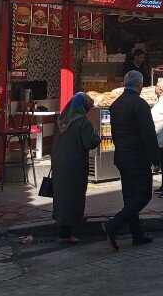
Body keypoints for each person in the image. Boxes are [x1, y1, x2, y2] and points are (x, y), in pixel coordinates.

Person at [102, 70, 160, 250]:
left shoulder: (116, 104)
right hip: (137, 157)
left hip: (121, 156)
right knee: (144, 195)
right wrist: (156, 159)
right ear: (138, 84)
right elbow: (148, 134)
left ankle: (138, 235)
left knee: (129, 197)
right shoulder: (140, 104)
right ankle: (113, 225)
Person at [50, 92, 101, 245]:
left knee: (62, 196)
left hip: (59, 162)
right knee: (73, 196)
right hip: (75, 165)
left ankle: (62, 227)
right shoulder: (82, 122)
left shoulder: (61, 120)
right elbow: (89, 142)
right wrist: (97, 136)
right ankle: (66, 234)